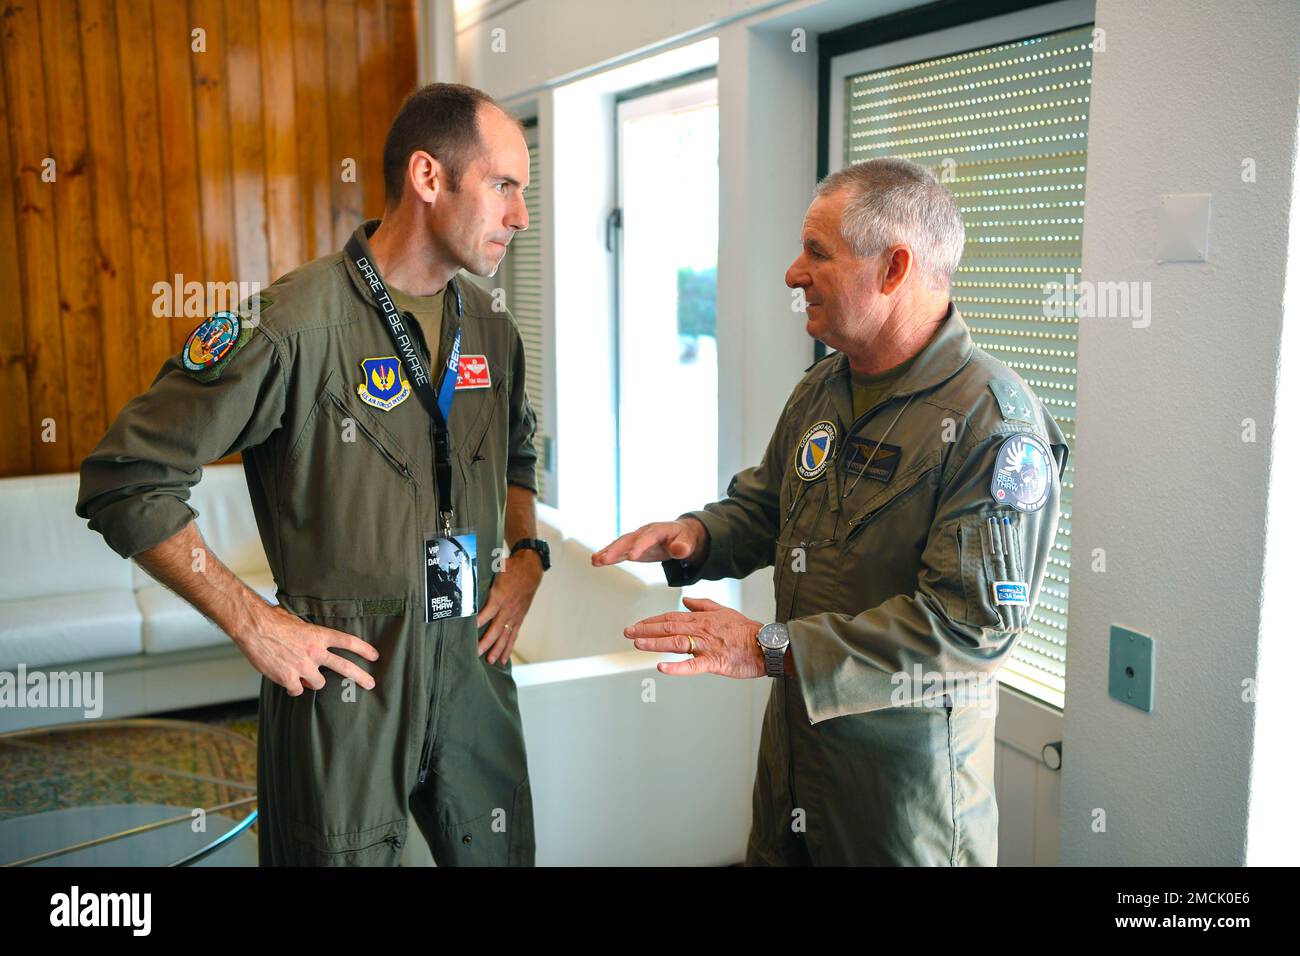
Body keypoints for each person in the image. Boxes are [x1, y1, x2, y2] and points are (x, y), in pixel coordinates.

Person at [76, 83, 552, 866]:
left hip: (472, 663)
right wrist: (253, 620)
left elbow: (520, 455)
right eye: (505, 186)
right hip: (347, 682)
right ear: (429, 178)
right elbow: (127, 478)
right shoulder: (293, 324)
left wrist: (527, 557)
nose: (520, 216)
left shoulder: (494, 329)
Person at [592, 157, 1067, 866]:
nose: (792, 273)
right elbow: (767, 506)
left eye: (817, 252)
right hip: (793, 765)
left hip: (900, 800)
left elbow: (966, 631)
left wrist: (769, 648)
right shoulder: (823, 386)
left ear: (894, 268)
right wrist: (695, 536)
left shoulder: (991, 424)